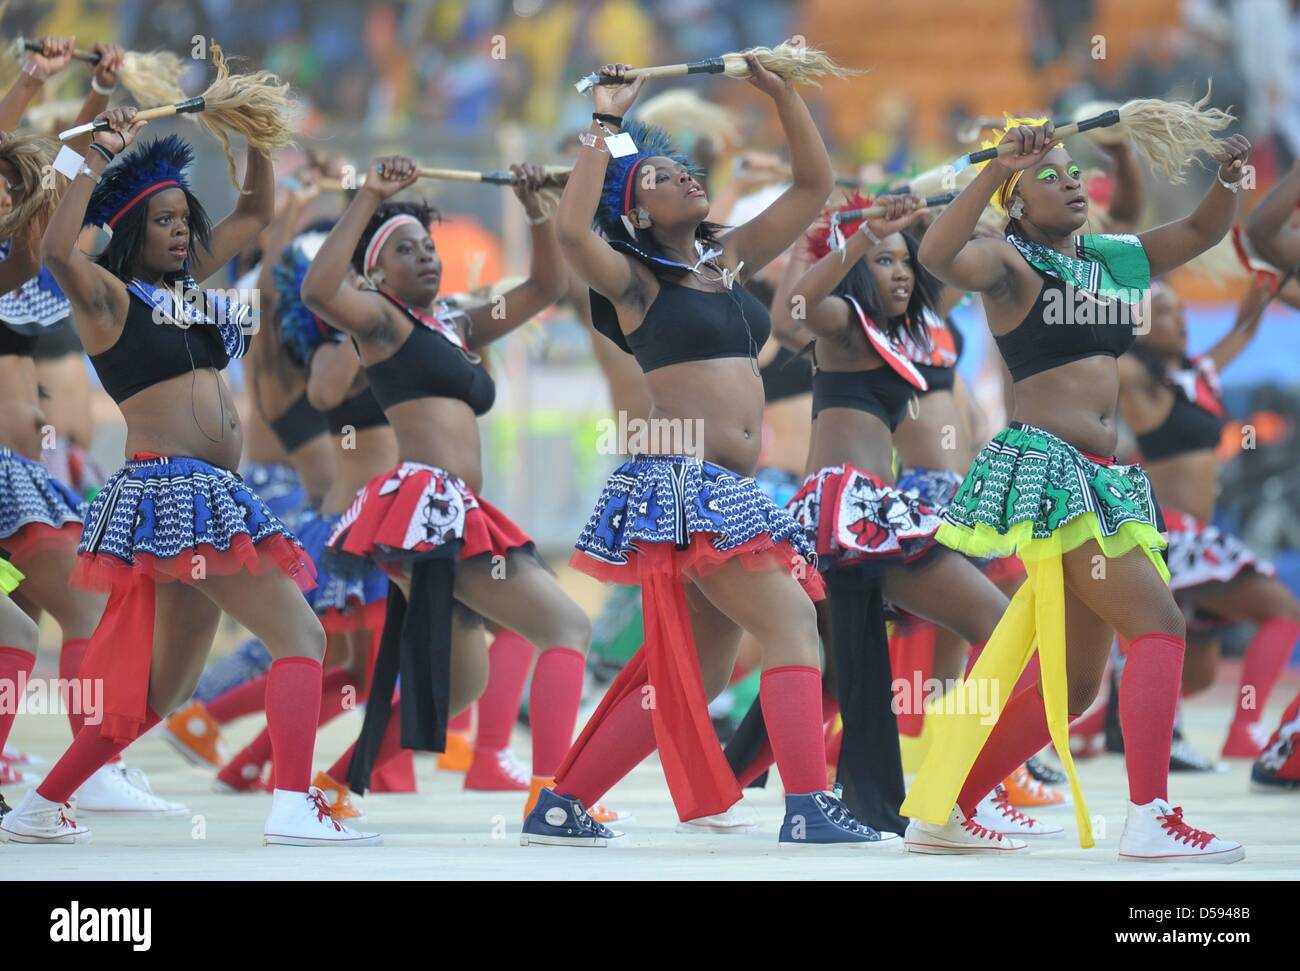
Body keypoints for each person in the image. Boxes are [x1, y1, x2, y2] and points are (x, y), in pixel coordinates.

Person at [524, 59, 889, 848]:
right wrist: (605, 122)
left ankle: (562, 803)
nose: (687, 176)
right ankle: (806, 806)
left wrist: (782, 93)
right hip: (688, 483)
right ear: (637, 210)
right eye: (661, 177)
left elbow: (811, 187)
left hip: (725, 486)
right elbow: (571, 232)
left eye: (685, 169)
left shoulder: (723, 261)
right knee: (792, 624)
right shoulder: (633, 280)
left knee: (697, 671)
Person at [0, 108, 377, 846]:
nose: (180, 231)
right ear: (131, 231)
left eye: (185, 218)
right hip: (174, 493)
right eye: (164, 220)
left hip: (206, 499)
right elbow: (57, 249)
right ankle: (292, 807)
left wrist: (258, 139)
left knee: (164, 688)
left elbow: (257, 214)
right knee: (301, 634)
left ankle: (41, 805)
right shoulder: (108, 299)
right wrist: (94, 153)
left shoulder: (186, 291)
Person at [901, 115, 1250, 863]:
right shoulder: (1007, 260)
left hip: (1101, 476)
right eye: (1048, 176)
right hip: (1054, 470)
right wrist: (996, 169)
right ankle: (1150, 817)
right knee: (1160, 625)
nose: (1070, 182)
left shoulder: (1105, 259)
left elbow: (1197, 232)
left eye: (1073, 171)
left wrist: (1228, 180)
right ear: (1018, 198)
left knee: (1076, 683)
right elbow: (936, 254)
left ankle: (949, 808)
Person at [300, 154, 593, 820]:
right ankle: (556, 800)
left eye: (428, 247)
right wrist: (368, 195)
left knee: (457, 687)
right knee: (566, 627)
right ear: (376, 273)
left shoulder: (455, 325)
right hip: (429, 510)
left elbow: (545, 286)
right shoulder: (380, 322)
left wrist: (535, 209)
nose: (426, 257)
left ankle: (330, 790)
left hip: (454, 513)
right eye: (404, 249)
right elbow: (319, 291)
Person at [1120, 279, 1300, 760]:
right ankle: (1244, 731)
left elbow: (1242, 330)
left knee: (1196, 676)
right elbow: (1089, 357)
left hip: (1197, 538)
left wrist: (1264, 280)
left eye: (1182, 311)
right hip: (1168, 534)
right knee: (1282, 608)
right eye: (1164, 311)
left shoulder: (1197, 375)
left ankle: (1108, 722)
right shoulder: (1134, 375)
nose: (1180, 320)